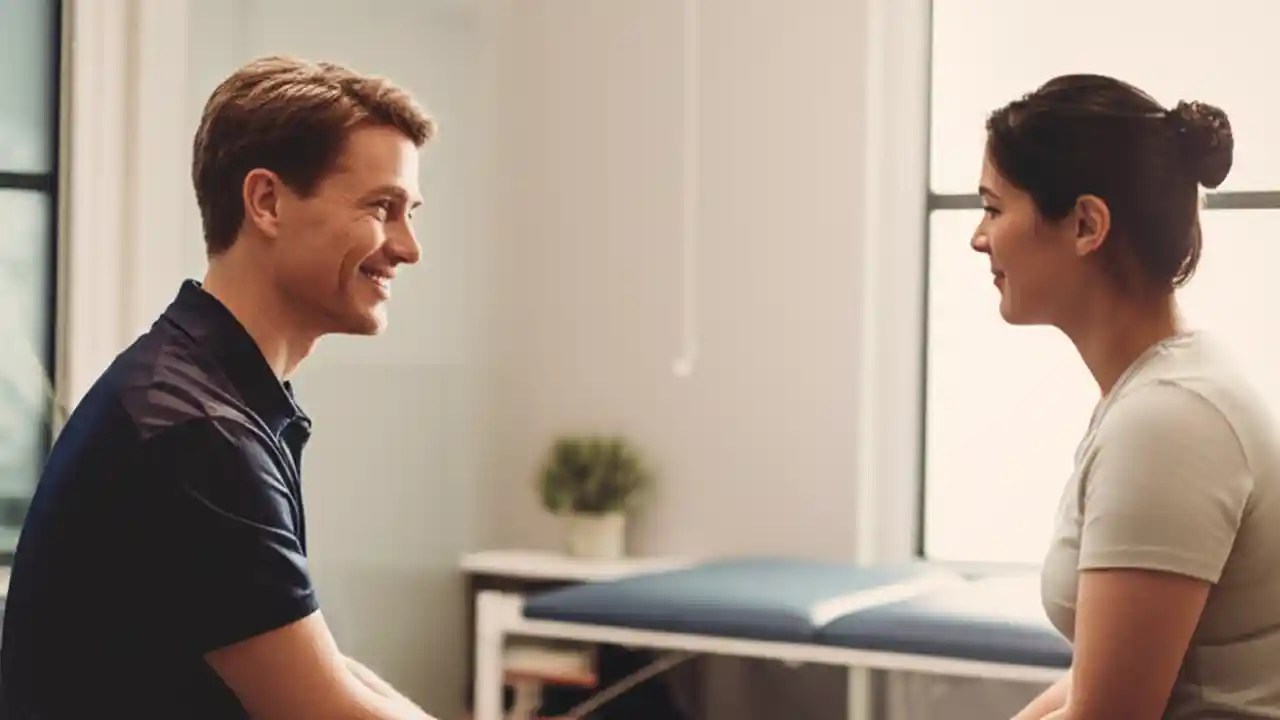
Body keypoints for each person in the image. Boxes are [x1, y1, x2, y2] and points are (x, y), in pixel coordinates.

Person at [0, 56, 438, 719]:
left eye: (411, 213)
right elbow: (323, 711)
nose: (409, 247)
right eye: (383, 207)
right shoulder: (194, 432)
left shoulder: (206, 392)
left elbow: (309, 658)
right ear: (266, 202)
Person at [969, 74, 1280, 720]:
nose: (979, 237)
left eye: (995, 209)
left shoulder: (1169, 423)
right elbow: (1097, 680)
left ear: (1086, 224)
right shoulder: (1162, 392)